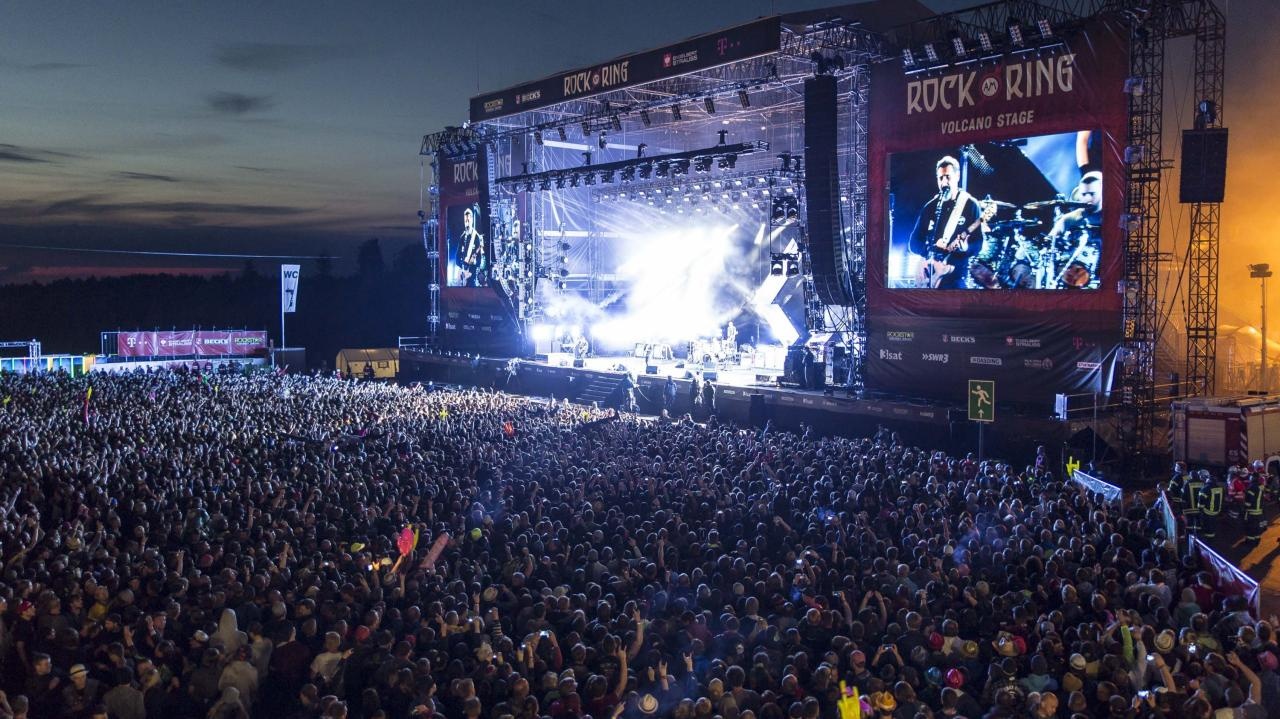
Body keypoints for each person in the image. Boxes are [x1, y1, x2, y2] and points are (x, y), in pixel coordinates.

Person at [909, 156, 988, 289]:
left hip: (955, 276)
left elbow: (978, 243)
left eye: (948, 177)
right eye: (940, 178)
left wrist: (966, 248)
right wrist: (929, 251)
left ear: (957, 176)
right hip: (930, 273)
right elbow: (913, 243)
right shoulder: (930, 206)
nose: (944, 182)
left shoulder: (970, 205)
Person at [456, 205, 486, 287]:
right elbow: (458, 254)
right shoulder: (462, 237)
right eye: (465, 220)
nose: (467, 222)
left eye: (468, 220)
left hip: (472, 273)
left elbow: (480, 258)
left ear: (472, 220)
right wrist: (461, 267)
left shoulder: (476, 237)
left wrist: (473, 265)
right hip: (463, 271)